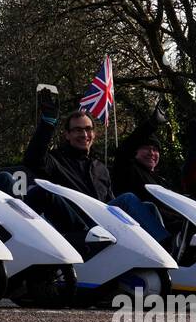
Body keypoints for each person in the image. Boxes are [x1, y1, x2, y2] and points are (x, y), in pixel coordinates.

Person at [24, 88, 170, 244]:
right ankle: (166, 247)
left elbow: (111, 203)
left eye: (88, 129)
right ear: (67, 135)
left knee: (148, 207)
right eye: (78, 130)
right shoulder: (56, 161)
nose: (84, 135)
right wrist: (48, 122)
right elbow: (33, 159)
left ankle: (155, 252)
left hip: (107, 225)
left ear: (94, 134)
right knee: (127, 199)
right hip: (80, 227)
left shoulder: (100, 168)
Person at [111, 101, 182, 237]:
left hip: (176, 229)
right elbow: (125, 151)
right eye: (146, 148)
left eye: (155, 150)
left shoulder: (161, 181)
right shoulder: (127, 169)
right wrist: (151, 124)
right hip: (144, 236)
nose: (151, 153)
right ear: (135, 151)